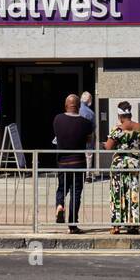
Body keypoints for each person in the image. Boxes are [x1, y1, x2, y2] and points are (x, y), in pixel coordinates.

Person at [52, 93, 94, 234]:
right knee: (76, 193)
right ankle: (73, 225)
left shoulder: (57, 119)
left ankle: (59, 205)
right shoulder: (85, 123)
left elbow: (58, 136)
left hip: (62, 163)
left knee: (62, 189)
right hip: (78, 163)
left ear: (66, 105)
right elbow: (89, 140)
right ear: (78, 106)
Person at [106, 101, 140, 234]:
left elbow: (108, 147)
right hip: (134, 164)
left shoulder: (117, 130)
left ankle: (116, 226)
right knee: (133, 193)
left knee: (117, 194)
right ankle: (133, 225)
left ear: (120, 116)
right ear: (130, 113)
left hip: (119, 165)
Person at [79, 91, 97, 180]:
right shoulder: (90, 112)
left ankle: (79, 174)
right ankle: (87, 175)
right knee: (88, 155)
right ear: (89, 99)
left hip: (77, 137)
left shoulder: (76, 110)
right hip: (88, 137)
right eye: (91, 99)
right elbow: (93, 126)